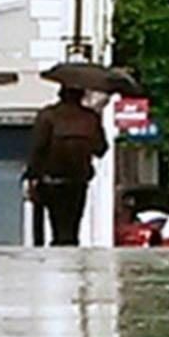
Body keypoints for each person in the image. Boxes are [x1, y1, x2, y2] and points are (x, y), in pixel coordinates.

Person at [27, 80, 108, 247]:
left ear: (60, 94)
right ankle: (69, 251)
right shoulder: (89, 118)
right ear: (82, 96)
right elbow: (101, 149)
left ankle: (58, 254)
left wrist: (32, 174)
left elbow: (38, 148)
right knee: (72, 226)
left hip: (51, 180)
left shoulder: (47, 116)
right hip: (78, 181)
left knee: (55, 225)